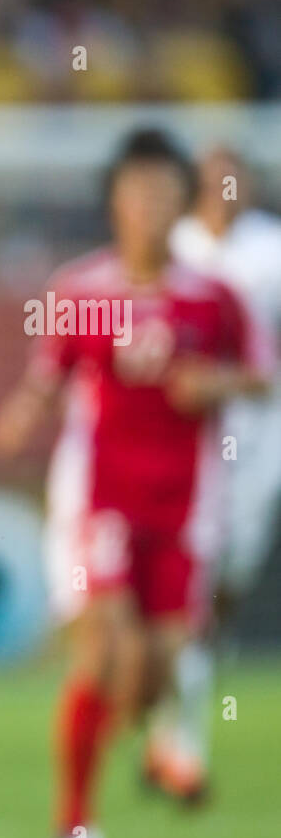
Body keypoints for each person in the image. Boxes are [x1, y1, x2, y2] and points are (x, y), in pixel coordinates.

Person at [0, 128, 272, 838]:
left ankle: (147, 741)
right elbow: (49, 374)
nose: (148, 206)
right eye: (134, 192)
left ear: (183, 200)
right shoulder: (81, 290)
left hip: (185, 503)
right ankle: (74, 820)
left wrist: (217, 384)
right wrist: (23, 412)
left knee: (159, 669)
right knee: (108, 650)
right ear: (115, 201)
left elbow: (261, 376)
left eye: (162, 192)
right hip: (101, 498)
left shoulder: (215, 298)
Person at [151, 145, 281, 800]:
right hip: (184, 445)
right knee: (188, 589)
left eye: (236, 176)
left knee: (226, 582)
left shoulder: (271, 251)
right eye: (211, 178)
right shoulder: (175, 247)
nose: (224, 188)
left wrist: (229, 380)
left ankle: (174, 715)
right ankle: (182, 742)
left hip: (258, 442)